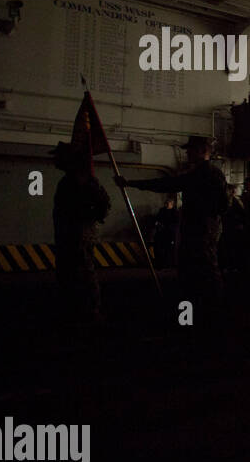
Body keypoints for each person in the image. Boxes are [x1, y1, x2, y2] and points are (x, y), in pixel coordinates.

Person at [116, 135, 228, 311]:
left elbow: (167, 184)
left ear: (203, 151)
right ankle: (200, 314)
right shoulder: (205, 174)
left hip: (202, 232)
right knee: (196, 272)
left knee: (204, 272)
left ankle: (206, 314)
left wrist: (132, 183)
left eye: (191, 149)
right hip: (198, 231)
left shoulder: (207, 174)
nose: (188, 153)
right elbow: (168, 183)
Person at [51, 141, 112, 323]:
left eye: (58, 156)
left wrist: (88, 218)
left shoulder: (83, 180)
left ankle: (92, 311)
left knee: (84, 273)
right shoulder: (69, 180)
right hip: (68, 235)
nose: (55, 160)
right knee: (69, 274)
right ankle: (75, 310)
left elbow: (104, 202)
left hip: (78, 235)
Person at [152, 194, 180, 269]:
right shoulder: (162, 210)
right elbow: (157, 219)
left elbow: (176, 224)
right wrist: (157, 224)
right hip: (161, 233)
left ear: (172, 204)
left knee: (169, 250)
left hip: (169, 234)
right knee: (159, 249)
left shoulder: (175, 212)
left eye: (168, 203)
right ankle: (161, 264)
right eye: (166, 203)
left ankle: (168, 265)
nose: (166, 204)